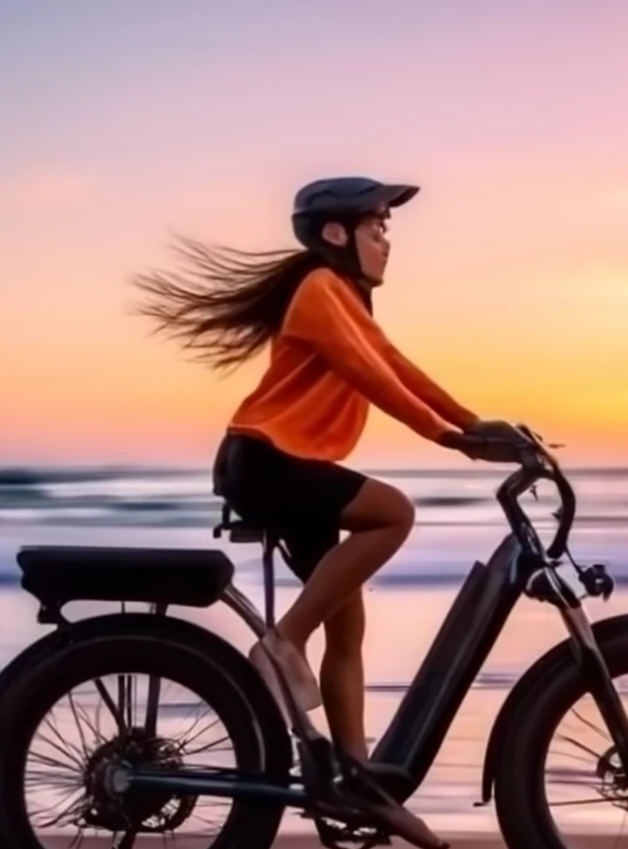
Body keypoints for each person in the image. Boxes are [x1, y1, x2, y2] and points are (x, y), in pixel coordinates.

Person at [134, 177, 486, 793]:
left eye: (386, 229)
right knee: (393, 512)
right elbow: (373, 378)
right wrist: (451, 438)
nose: (386, 240)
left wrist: (475, 423)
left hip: (289, 465)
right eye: (377, 226)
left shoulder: (346, 299)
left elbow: (396, 366)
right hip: (268, 461)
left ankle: (355, 773)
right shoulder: (320, 290)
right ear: (335, 233)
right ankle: (282, 643)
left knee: (348, 628)